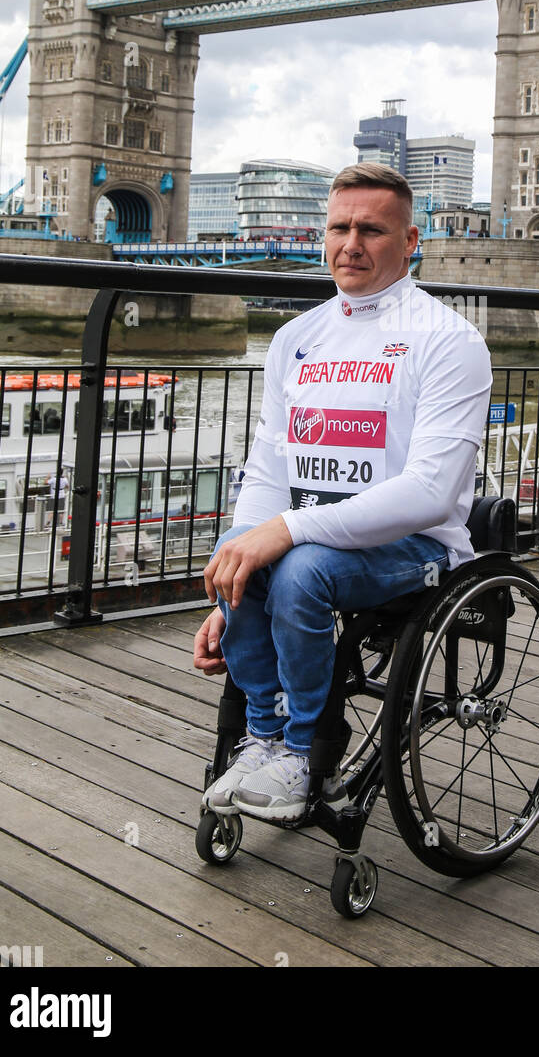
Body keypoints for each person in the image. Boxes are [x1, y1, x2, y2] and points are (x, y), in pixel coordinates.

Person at [194, 164, 493, 823]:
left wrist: (286, 533)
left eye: (371, 230)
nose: (350, 244)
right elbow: (269, 469)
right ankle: (263, 741)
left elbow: (430, 492)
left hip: (415, 546)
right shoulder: (295, 338)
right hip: (313, 541)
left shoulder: (448, 340)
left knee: (298, 567)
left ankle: (305, 753)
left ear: (410, 240)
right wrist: (239, 577)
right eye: (338, 227)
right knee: (234, 546)